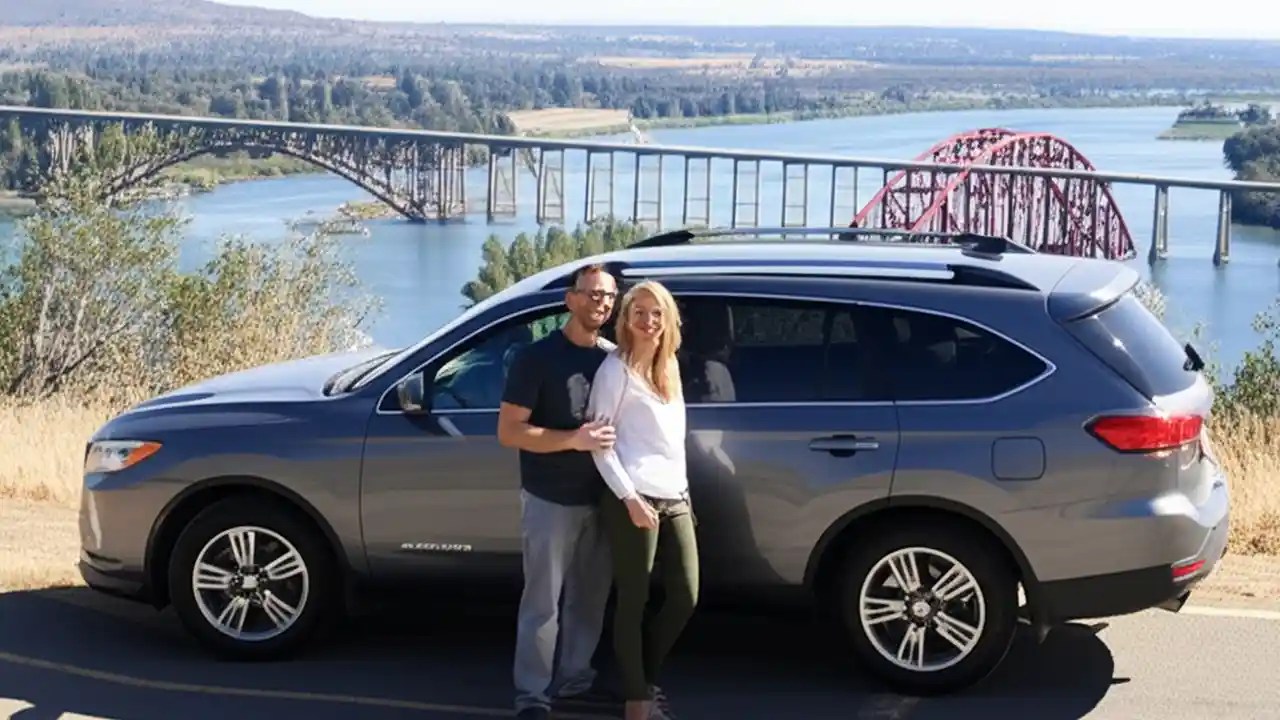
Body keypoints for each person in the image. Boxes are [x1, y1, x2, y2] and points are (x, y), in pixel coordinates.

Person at [497, 263, 623, 720]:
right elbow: (510, 432)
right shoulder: (538, 358)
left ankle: (573, 680)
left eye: (608, 296)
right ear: (570, 299)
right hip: (551, 498)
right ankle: (532, 696)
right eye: (592, 294)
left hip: (603, 498)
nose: (601, 303)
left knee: (589, 599)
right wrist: (572, 440)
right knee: (542, 603)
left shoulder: (614, 358)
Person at [586, 280, 699, 720]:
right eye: (639, 313)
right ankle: (637, 702)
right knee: (633, 600)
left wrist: (684, 492)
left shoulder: (669, 364)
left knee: (685, 596)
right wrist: (629, 497)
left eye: (657, 313)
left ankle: (643, 678)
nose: (648, 321)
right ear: (626, 320)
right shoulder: (615, 370)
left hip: (675, 496)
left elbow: (675, 441)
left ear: (668, 319)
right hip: (632, 496)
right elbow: (600, 441)